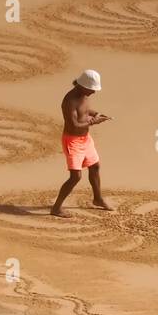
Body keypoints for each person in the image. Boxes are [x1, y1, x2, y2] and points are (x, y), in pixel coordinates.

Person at [51, 70, 112, 217]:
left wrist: (95, 113)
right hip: (73, 141)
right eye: (92, 89)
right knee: (76, 177)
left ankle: (97, 199)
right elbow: (74, 125)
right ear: (82, 86)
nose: (93, 92)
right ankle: (56, 208)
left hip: (86, 139)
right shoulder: (69, 101)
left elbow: (85, 110)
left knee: (95, 166)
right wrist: (93, 121)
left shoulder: (84, 95)